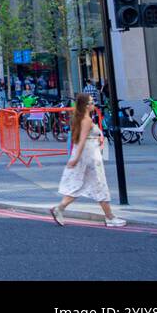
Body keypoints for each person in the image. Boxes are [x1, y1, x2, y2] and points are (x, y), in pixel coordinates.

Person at [51, 94, 126, 228]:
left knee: (80, 186)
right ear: (85, 105)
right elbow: (81, 141)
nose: (94, 104)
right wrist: (76, 158)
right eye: (91, 102)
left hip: (89, 156)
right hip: (89, 158)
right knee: (99, 185)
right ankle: (110, 217)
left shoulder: (83, 118)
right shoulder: (85, 120)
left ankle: (59, 208)